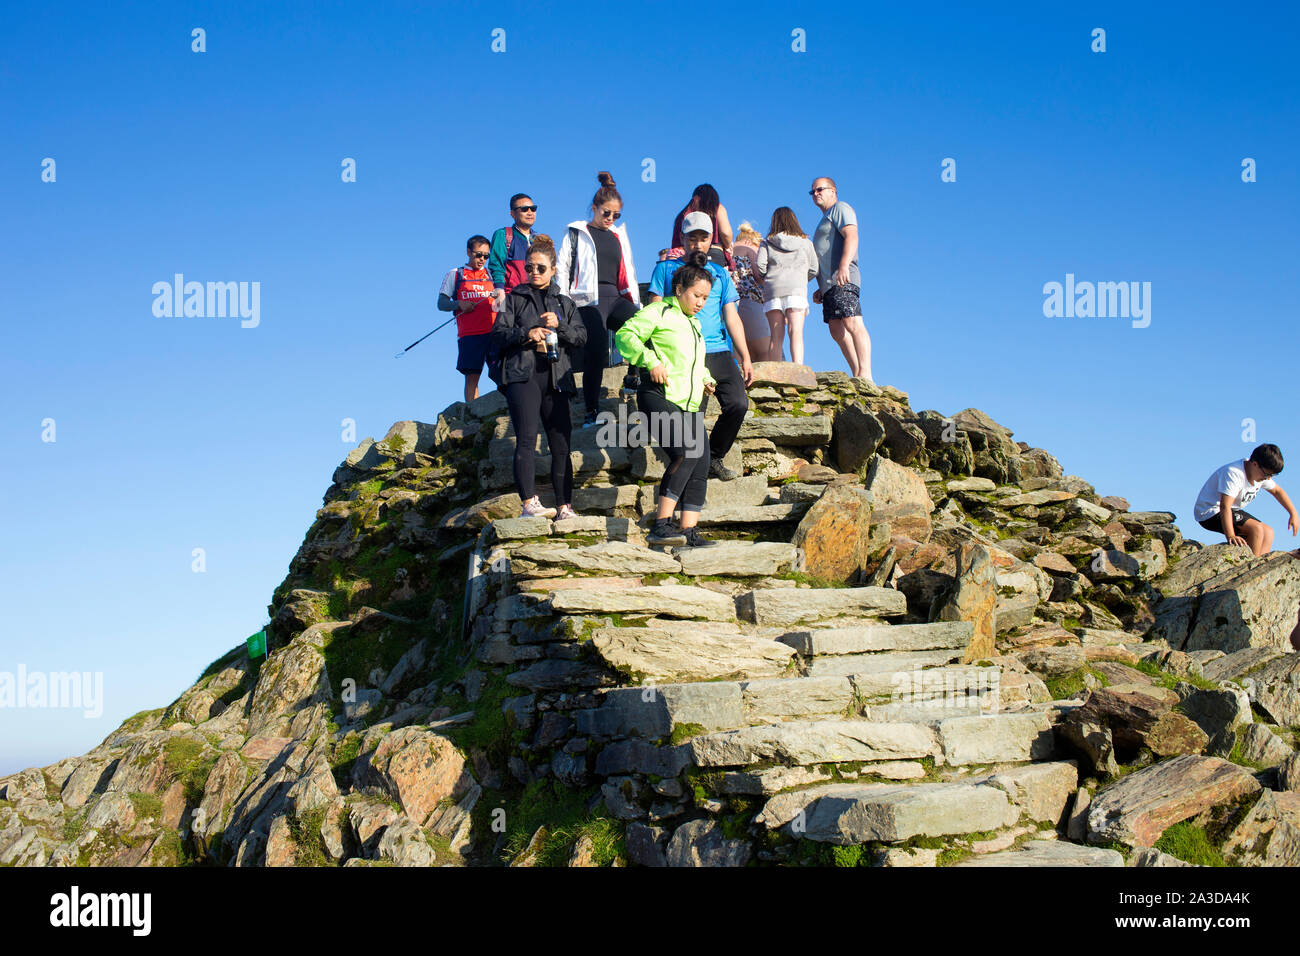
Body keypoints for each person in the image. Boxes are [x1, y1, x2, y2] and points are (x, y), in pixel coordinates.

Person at [615, 263, 719, 548]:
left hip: (690, 404)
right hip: (658, 395)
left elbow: (692, 363)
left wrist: (707, 378)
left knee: (702, 462)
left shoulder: (695, 324)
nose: (700, 303)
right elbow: (625, 335)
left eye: (705, 298)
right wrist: (650, 361)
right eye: (696, 295)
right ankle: (661, 524)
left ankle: (688, 530)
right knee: (686, 452)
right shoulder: (658, 312)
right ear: (679, 290)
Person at [647, 212, 754, 481]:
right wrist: (654, 356)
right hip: (682, 352)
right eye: (691, 237)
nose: (697, 243)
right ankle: (689, 474)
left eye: (703, 238)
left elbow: (732, 317)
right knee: (692, 419)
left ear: (711, 241)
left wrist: (746, 357)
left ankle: (714, 458)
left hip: (717, 350)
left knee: (738, 404)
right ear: (682, 239)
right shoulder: (665, 270)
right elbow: (653, 312)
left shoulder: (720, 274)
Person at [490, 235, 587, 519]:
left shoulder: (565, 303)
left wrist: (562, 326)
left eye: (540, 268)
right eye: (529, 267)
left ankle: (564, 507)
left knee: (561, 445)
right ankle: (528, 504)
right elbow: (497, 335)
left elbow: (582, 337)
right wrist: (527, 334)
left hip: (558, 377)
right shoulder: (514, 299)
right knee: (525, 439)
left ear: (553, 269)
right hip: (523, 375)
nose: (534, 273)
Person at [557, 172, 642, 427]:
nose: (610, 219)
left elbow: (630, 268)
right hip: (587, 300)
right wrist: (564, 301)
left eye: (616, 215)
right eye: (606, 213)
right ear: (594, 208)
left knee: (642, 325)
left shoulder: (619, 235)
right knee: (596, 353)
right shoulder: (576, 232)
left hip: (615, 296)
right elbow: (562, 267)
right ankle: (591, 411)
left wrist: (635, 299)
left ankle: (633, 377)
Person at [810, 177, 871, 380]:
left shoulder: (840, 208)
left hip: (844, 277)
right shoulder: (823, 219)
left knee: (852, 321)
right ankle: (856, 372)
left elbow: (852, 235)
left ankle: (866, 373)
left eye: (820, 189)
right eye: (813, 192)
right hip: (828, 285)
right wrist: (821, 286)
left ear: (833, 191)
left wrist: (844, 265)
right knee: (836, 329)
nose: (816, 194)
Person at [1193, 444, 1297, 555]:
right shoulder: (1234, 473)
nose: (1268, 479)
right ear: (1255, 464)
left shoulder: (1260, 472)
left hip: (1231, 510)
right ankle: (1251, 568)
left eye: (1271, 475)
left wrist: (1293, 513)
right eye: (1267, 475)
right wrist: (1231, 535)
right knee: (1256, 529)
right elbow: (1225, 506)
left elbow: (1277, 491)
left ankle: (1260, 566)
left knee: (1268, 532)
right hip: (1210, 512)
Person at [437, 235, 496, 402]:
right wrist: (459, 304)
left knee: (500, 373)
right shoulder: (455, 274)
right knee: (472, 376)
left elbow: (502, 301)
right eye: (478, 254)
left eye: (486, 255)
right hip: (470, 334)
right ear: (468, 252)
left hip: (494, 331)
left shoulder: (493, 274)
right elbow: (441, 303)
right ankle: (472, 412)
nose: (482, 259)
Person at [756, 207, 817, 365]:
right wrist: (801, 279)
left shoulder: (767, 242)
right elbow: (814, 268)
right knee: (796, 332)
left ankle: (776, 375)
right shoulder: (806, 243)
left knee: (776, 336)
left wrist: (769, 278)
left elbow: (760, 266)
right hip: (797, 290)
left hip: (773, 290)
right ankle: (798, 368)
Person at [488, 193, 539, 305]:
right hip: (512, 299)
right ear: (512, 214)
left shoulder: (540, 240)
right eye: (524, 209)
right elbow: (496, 265)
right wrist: (499, 290)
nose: (530, 212)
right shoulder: (503, 235)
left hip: (537, 300)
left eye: (533, 209)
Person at [730, 222, 769, 363]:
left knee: (741, 350)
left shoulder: (728, 250)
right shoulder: (748, 247)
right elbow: (759, 275)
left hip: (731, 304)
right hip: (751, 300)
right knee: (765, 350)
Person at [670, 184, 733, 268]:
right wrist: (728, 246)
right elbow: (726, 233)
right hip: (713, 253)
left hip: (686, 254)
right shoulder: (717, 207)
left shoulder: (684, 212)